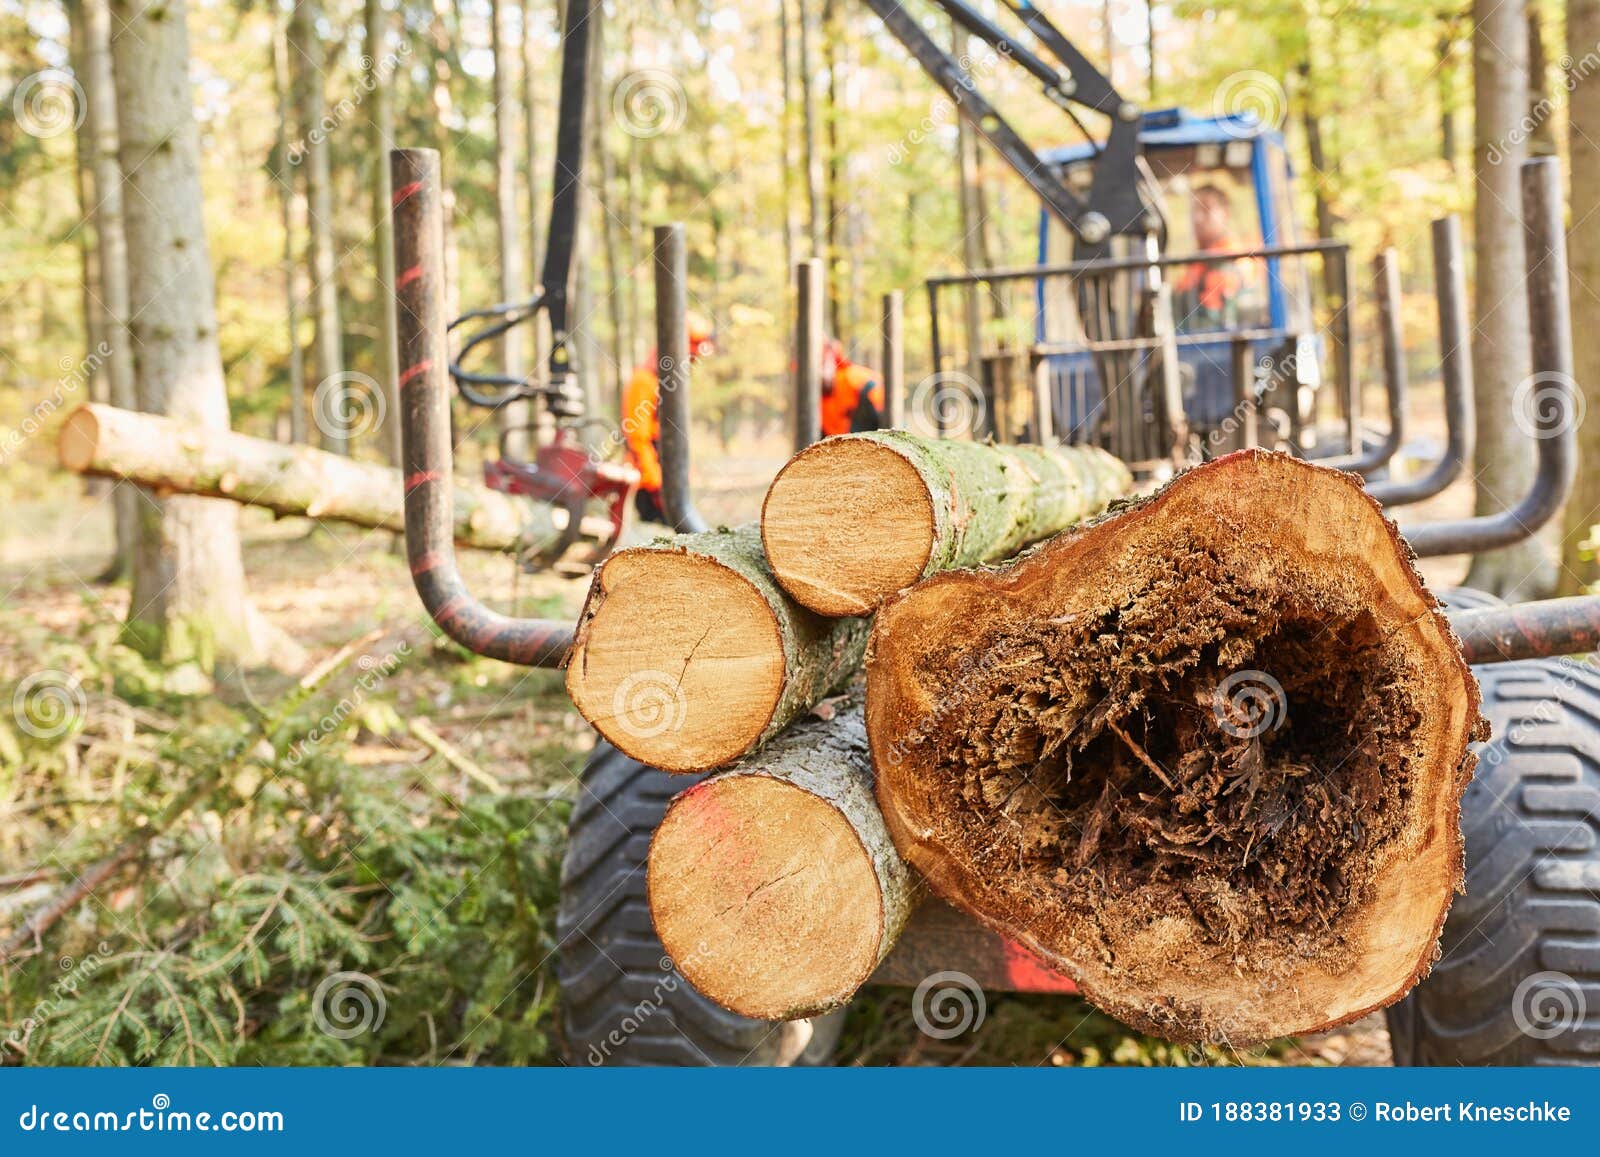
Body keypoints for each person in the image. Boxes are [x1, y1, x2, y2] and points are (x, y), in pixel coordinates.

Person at [621, 316, 715, 524]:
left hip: (667, 479)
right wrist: (655, 481)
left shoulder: (667, 383)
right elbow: (638, 437)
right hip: (649, 485)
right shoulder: (644, 381)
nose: (691, 361)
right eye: (690, 354)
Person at [1171, 184, 1263, 333]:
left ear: (1225, 214)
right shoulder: (1198, 264)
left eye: (1206, 209)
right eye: (1194, 211)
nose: (1198, 219)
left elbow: (1212, 324)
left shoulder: (1233, 263)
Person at [819, 338, 886, 437]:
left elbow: (892, 421)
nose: (820, 371)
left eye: (822, 363)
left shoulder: (859, 380)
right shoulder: (816, 404)